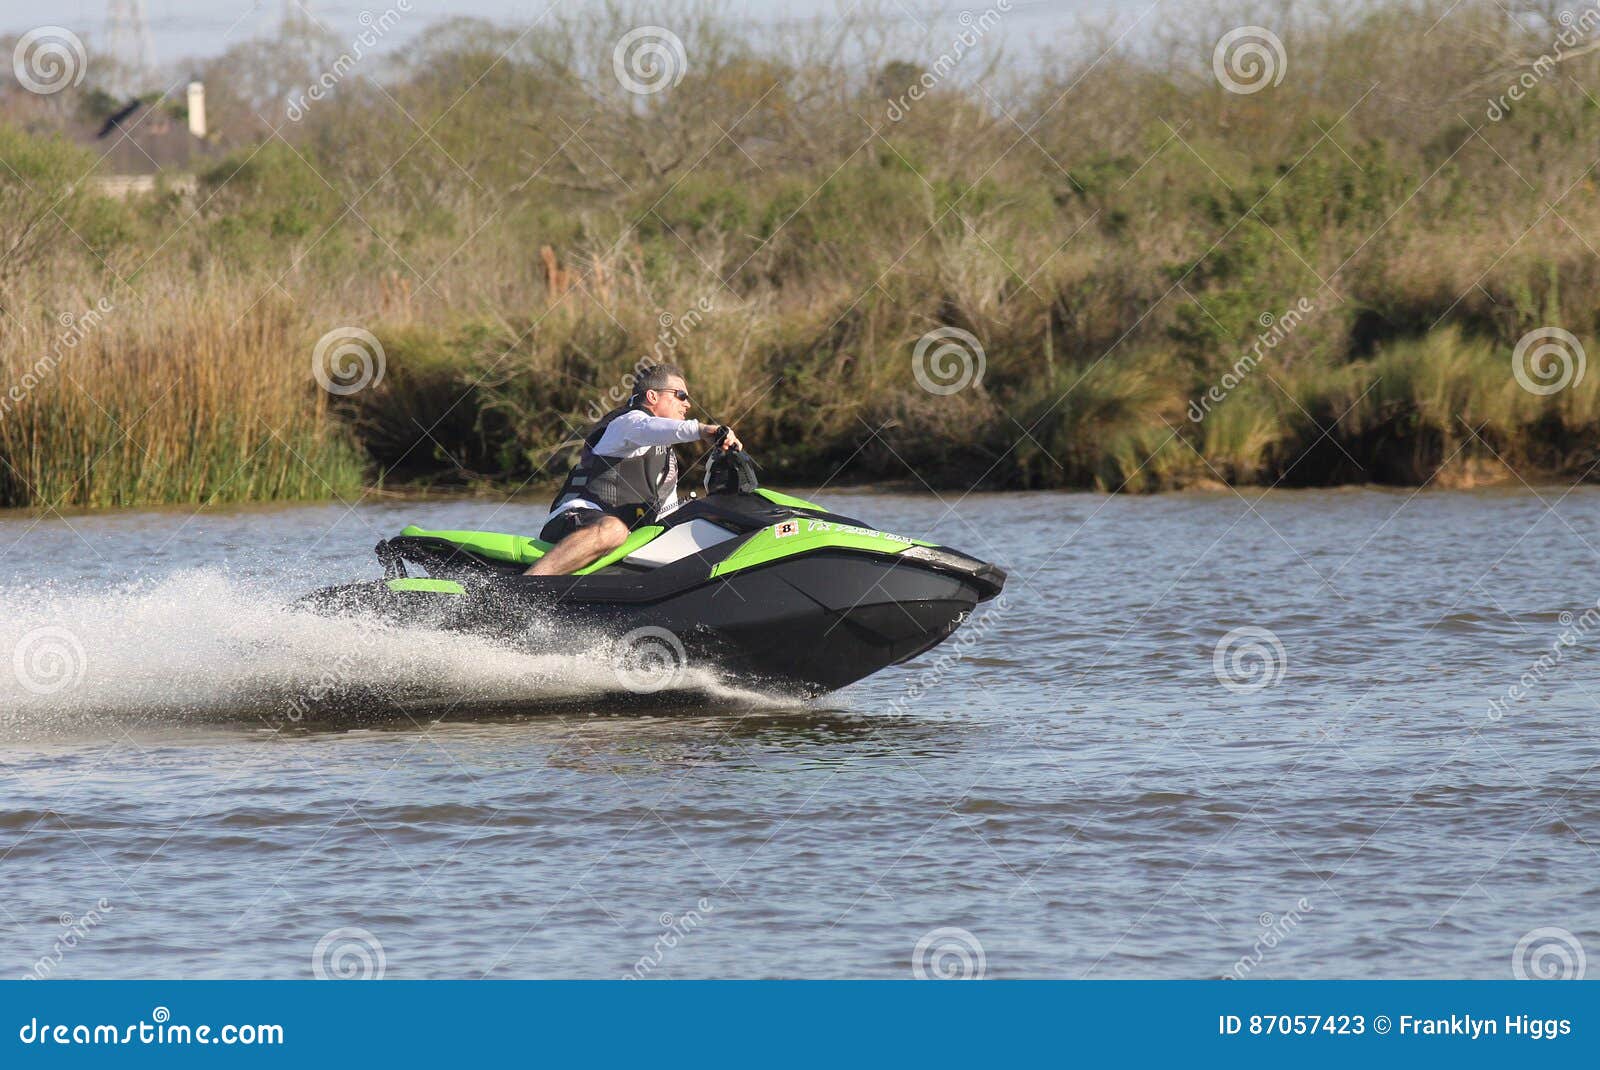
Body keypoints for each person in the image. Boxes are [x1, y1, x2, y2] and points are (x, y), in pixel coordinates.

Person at [527, 364, 741, 576]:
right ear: (652, 396)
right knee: (615, 530)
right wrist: (705, 430)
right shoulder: (626, 423)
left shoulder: (666, 462)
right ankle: (527, 588)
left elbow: (666, 517)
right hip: (573, 521)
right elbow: (651, 428)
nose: (687, 404)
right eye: (681, 395)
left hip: (617, 542)